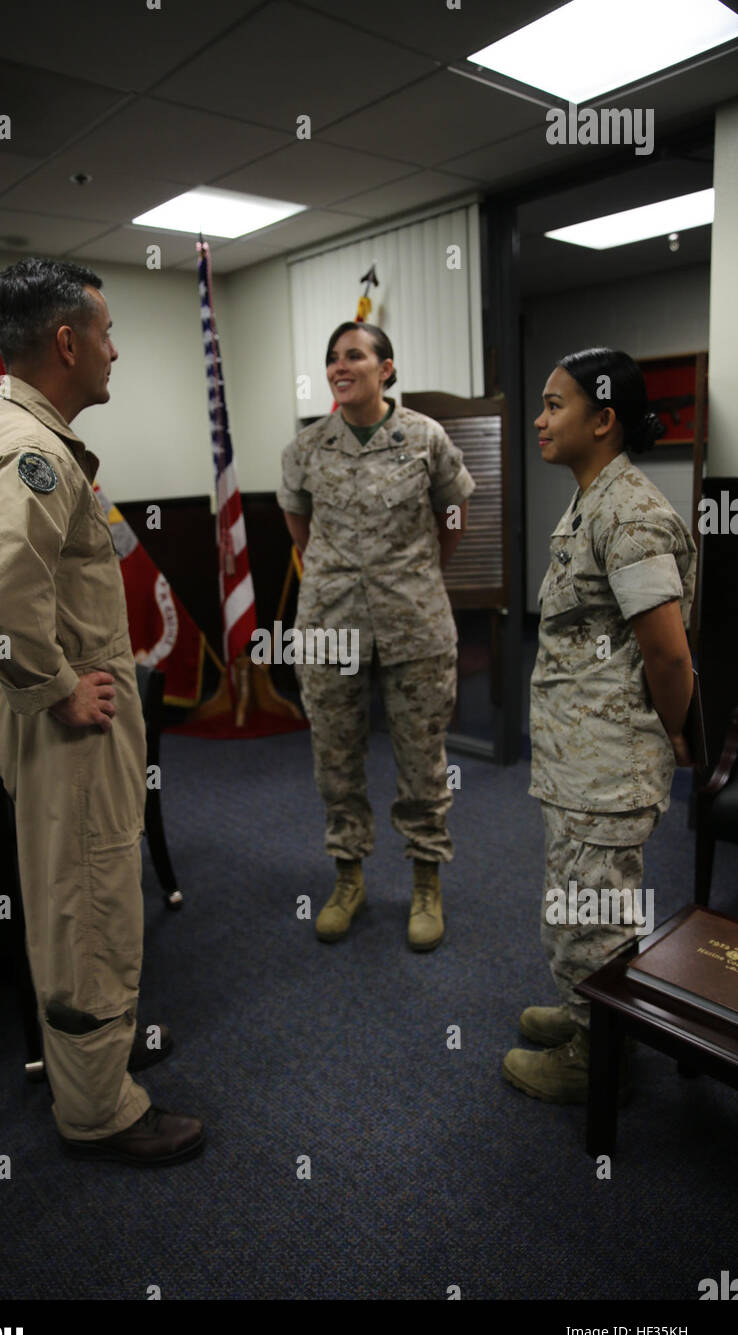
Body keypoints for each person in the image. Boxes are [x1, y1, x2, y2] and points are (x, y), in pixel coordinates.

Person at [0, 257, 204, 1164]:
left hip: (64, 715)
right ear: (66, 341)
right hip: (68, 722)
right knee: (87, 902)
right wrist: (57, 690)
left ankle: (89, 1060)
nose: (115, 351)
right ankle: (99, 1110)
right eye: (105, 333)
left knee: (81, 892)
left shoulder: (25, 433)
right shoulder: (34, 454)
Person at [503, 347, 697, 1104]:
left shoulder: (633, 513)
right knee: (577, 897)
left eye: (556, 405)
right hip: (577, 760)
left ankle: (595, 1054)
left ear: (605, 419)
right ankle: (587, 1005)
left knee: (597, 907)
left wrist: (679, 735)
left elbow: (668, 655)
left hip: (608, 765)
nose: (541, 418)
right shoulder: (593, 497)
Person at [277, 322, 475, 950]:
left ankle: (424, 883)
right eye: (332, 357)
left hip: (415, 623)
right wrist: (341, 577)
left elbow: (453, 515)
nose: (341, 366)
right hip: (328, 625)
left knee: (422, 762)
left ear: (385, 368)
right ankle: (348, 878)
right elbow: (298, 528)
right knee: (336, 761)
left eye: (354, 356)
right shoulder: (306, 448)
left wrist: (410, 575)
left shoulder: (425, 438)